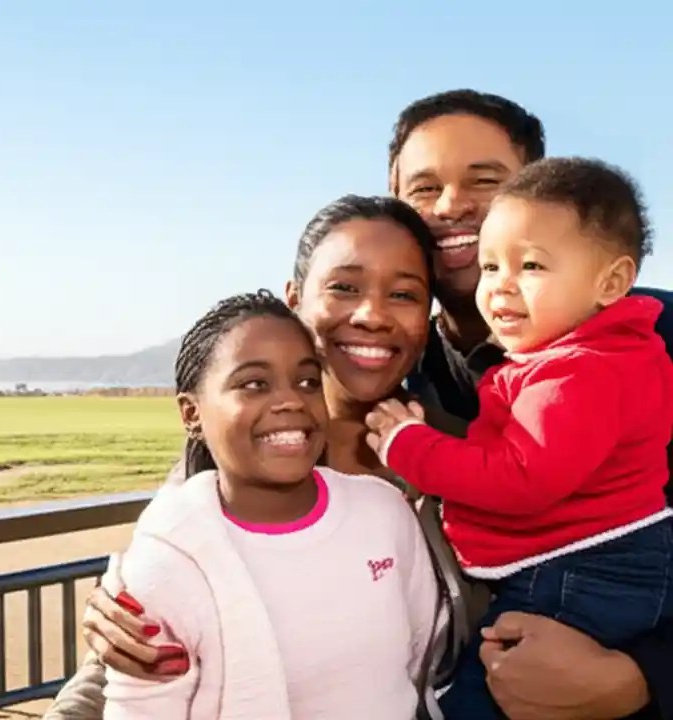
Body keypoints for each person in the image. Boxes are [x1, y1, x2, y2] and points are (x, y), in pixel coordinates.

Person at [49, 90, 673, 720]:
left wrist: (641, 678)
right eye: (425, 187)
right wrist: (122, 609)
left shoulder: (633, 350)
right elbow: (134, 648)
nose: (452, 205)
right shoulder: (271, 442)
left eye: (484, 180)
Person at [50, 192, 462, 718]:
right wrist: (117, 613)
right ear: (295, 300)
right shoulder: (214, 481)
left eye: (404, 294)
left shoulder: (471, 457)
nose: (373, 315)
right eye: (343, 287)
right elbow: (135, 659)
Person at [367, 156, 673, 718]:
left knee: (488, 693)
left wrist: (410, 445)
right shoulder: (601, 353)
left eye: (531, 265)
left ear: (612, 281)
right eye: (489, 266)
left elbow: (521, 477)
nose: (501, 286)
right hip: (594, 566)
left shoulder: (579, 372)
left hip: (581, 573)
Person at [101, 289, 444, 719]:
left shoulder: (384, 512)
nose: (290, 401)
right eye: (254, 384)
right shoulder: (167, 562)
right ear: (191, 413)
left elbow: (421, 656)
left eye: (306, 381)